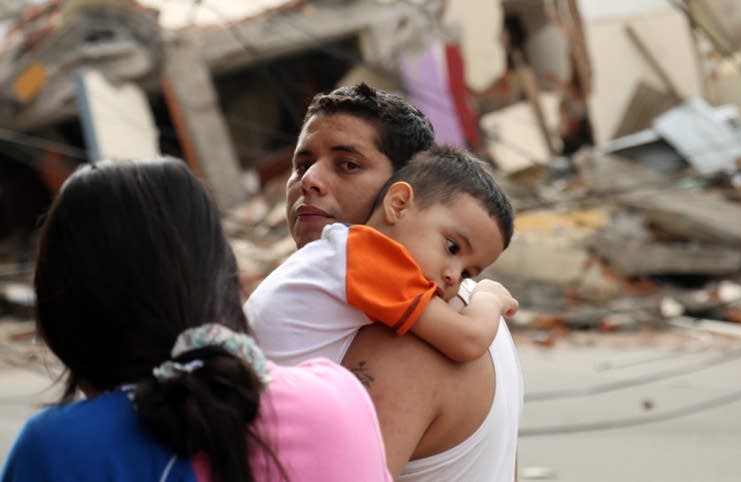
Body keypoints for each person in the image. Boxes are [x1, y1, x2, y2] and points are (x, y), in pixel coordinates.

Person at [0, 158, 391, 482]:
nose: (310, 181)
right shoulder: (340, 398)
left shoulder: (58, 450)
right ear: (222, 271)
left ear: (63, 310)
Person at [268, 82, 523, 481]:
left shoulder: (402, 332)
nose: (310, 180)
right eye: (302, 165)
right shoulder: (460, 304)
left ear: (400, 194)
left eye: (348, 165)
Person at [246, 144, 519, 367]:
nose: (453, 276)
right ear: (398, 205)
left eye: (468, 274)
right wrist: (489, 298)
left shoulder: (344, 249)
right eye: (452, 247)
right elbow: (467, 341)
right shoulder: (373, 259)